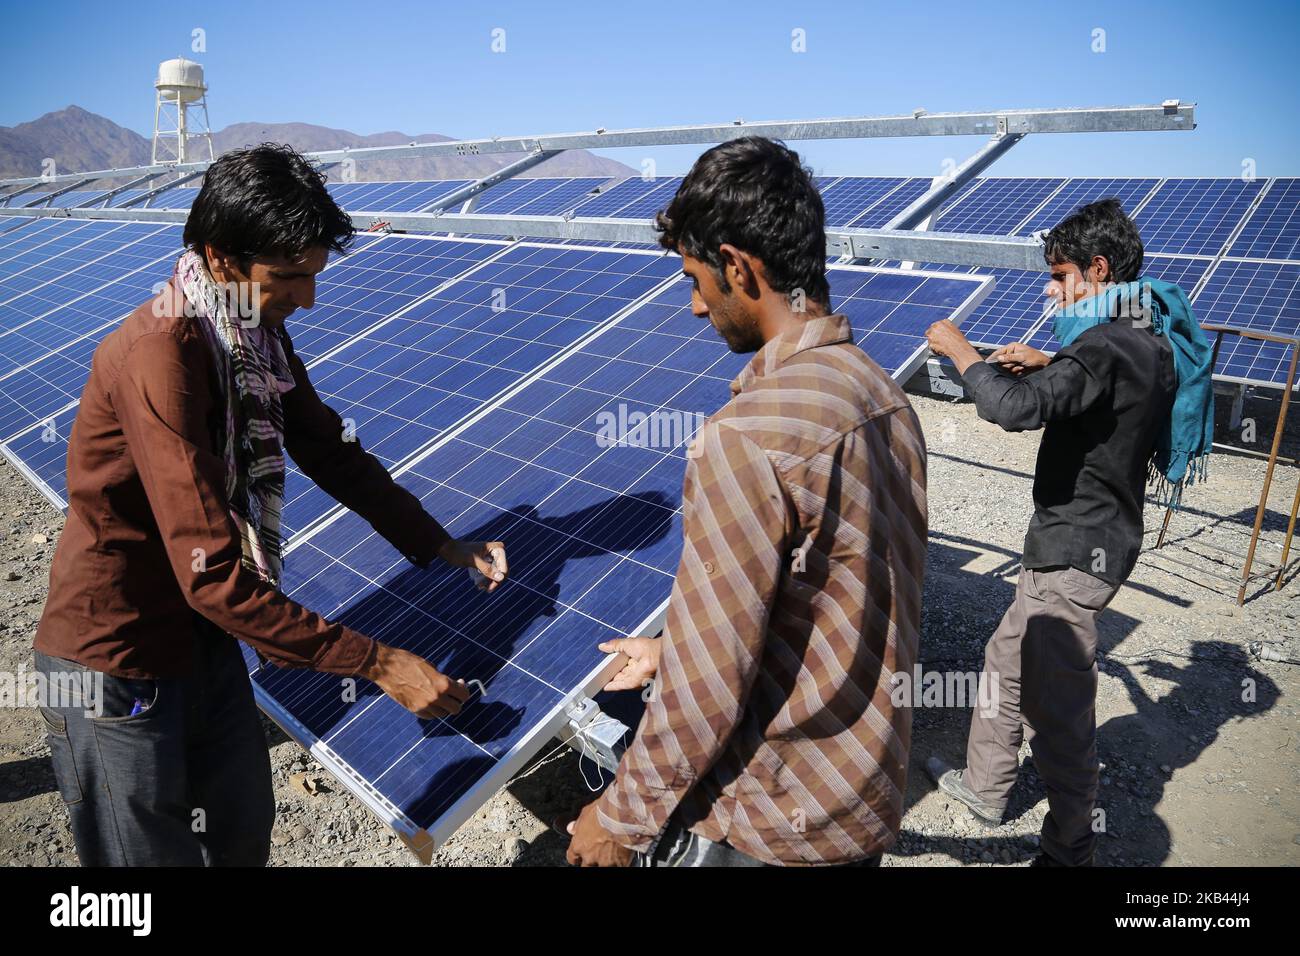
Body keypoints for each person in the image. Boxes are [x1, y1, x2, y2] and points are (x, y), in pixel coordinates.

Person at [33, 144, 509, 867]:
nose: (307, 298)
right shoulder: (162, 353)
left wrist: (438, 542)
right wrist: (378, 663)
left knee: (239, 839)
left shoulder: (252, 331)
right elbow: (212, 574)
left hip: (204, 643)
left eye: (314, 275)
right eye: (289, 277)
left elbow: (326, 447)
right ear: (221, 256)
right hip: (117, 657)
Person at [564, 137, 929, 867]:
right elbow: (836, 594)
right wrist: (676, 647)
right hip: (859, 799)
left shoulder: (747, 438)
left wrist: (621, 819)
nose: (697, 308)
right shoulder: (883, 395)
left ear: (738, 266)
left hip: (770, 820)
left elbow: (709, 688)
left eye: (697, 279)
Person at [922, 198, 1214, 866]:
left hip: (1075, 550)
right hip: (1094, 541)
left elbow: (1014, 409)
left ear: (1098, 269)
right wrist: (1053, 359)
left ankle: (1070, 845)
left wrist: (960, 351)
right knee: (1005, 656)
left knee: (1060, 712)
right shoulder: (1147, 335)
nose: (1050, 290)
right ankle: (986, 788)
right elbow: (1111, 390)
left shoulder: (1105, 342)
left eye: (1059, 276)